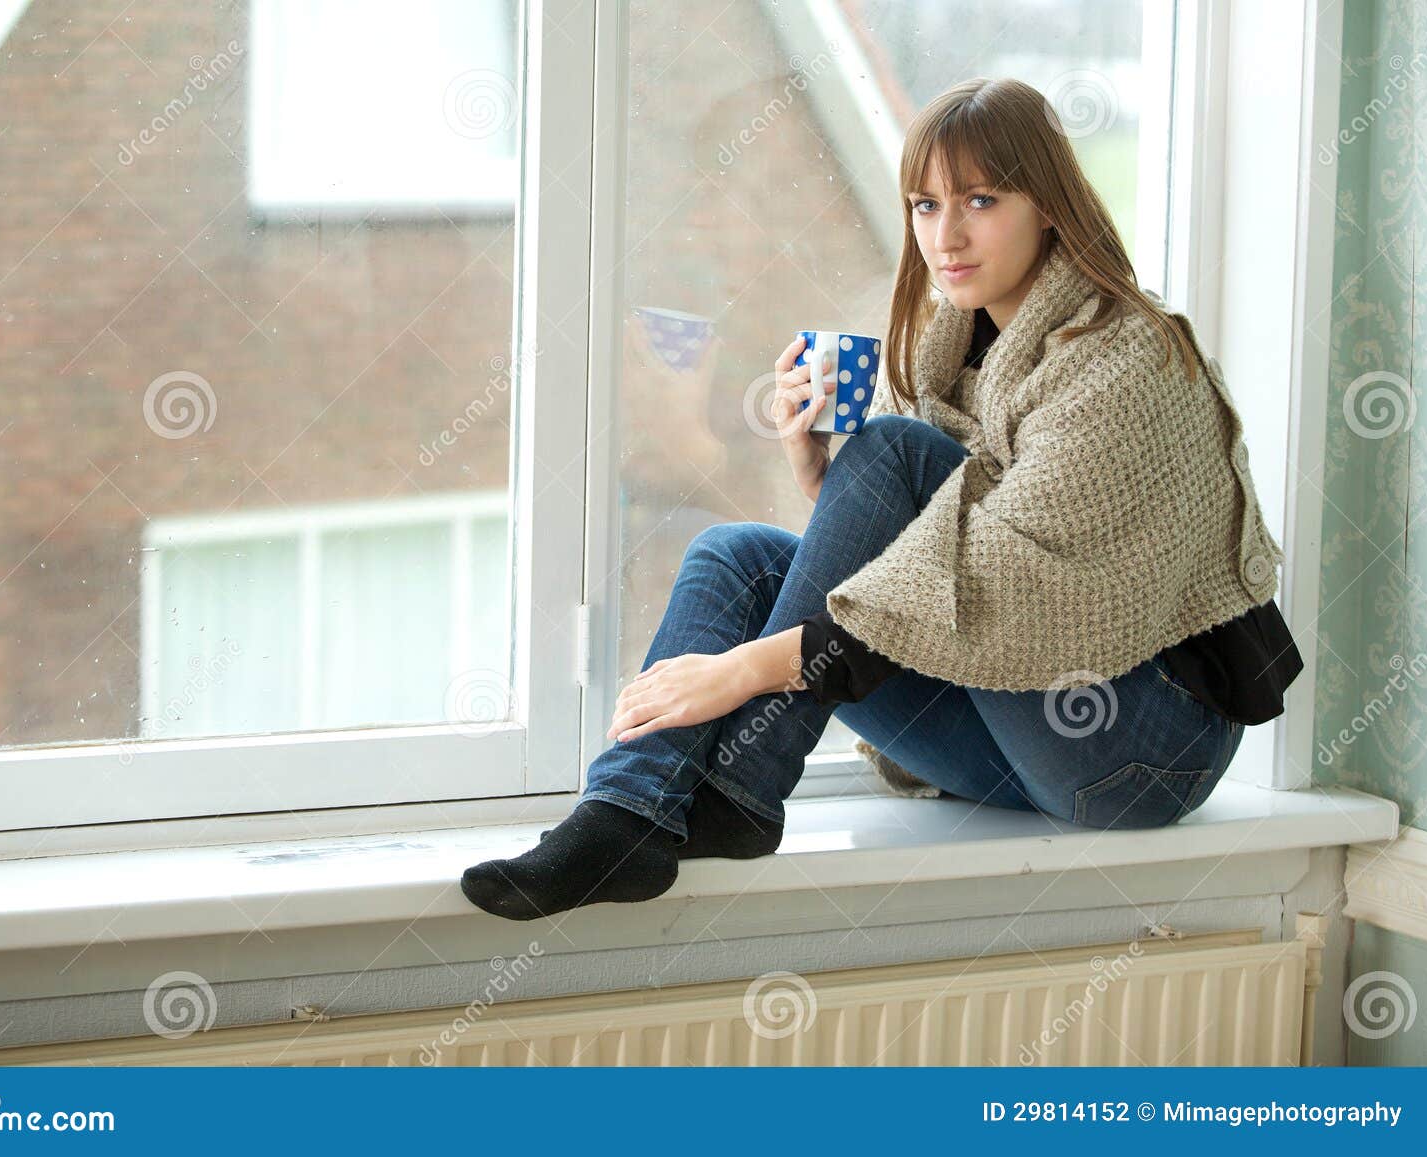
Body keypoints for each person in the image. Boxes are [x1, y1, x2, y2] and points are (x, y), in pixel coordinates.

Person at [460, 76, 1303, 922]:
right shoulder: (957, 357)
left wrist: (739, 672)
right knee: (734, 556)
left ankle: (743, 791)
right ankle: (625, 814)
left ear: (1048, 203)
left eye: (980, 199)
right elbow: (925, 579)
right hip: (1025, 737)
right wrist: (816, 474)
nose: (948, 234)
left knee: (892, 448)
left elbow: (1012, 592)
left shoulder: (1127, 358)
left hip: (1142, 752)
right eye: (924, 205)